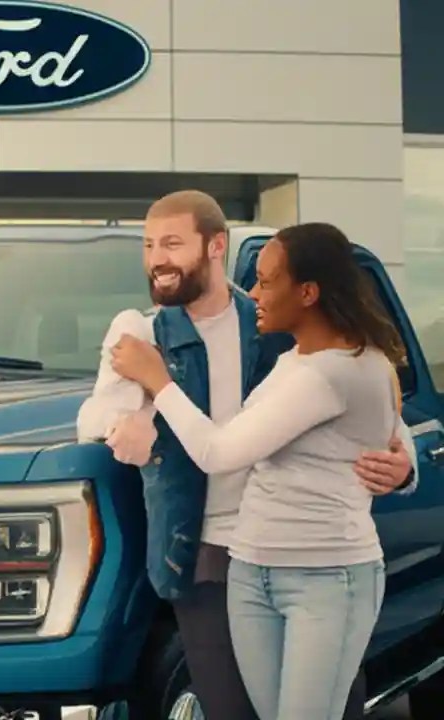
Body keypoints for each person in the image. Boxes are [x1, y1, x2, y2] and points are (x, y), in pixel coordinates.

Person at [76, 191, 416, 720]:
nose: (156, 259)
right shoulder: (143, 332)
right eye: (147, 246)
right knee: (233, 708)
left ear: (215, 246)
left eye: (171, 243)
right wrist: (133, 424)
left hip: (302, 545)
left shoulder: (275, 322)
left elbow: (373, 400)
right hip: (203, 552)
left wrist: (404, 463)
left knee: (336, 707)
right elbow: (92, 420)